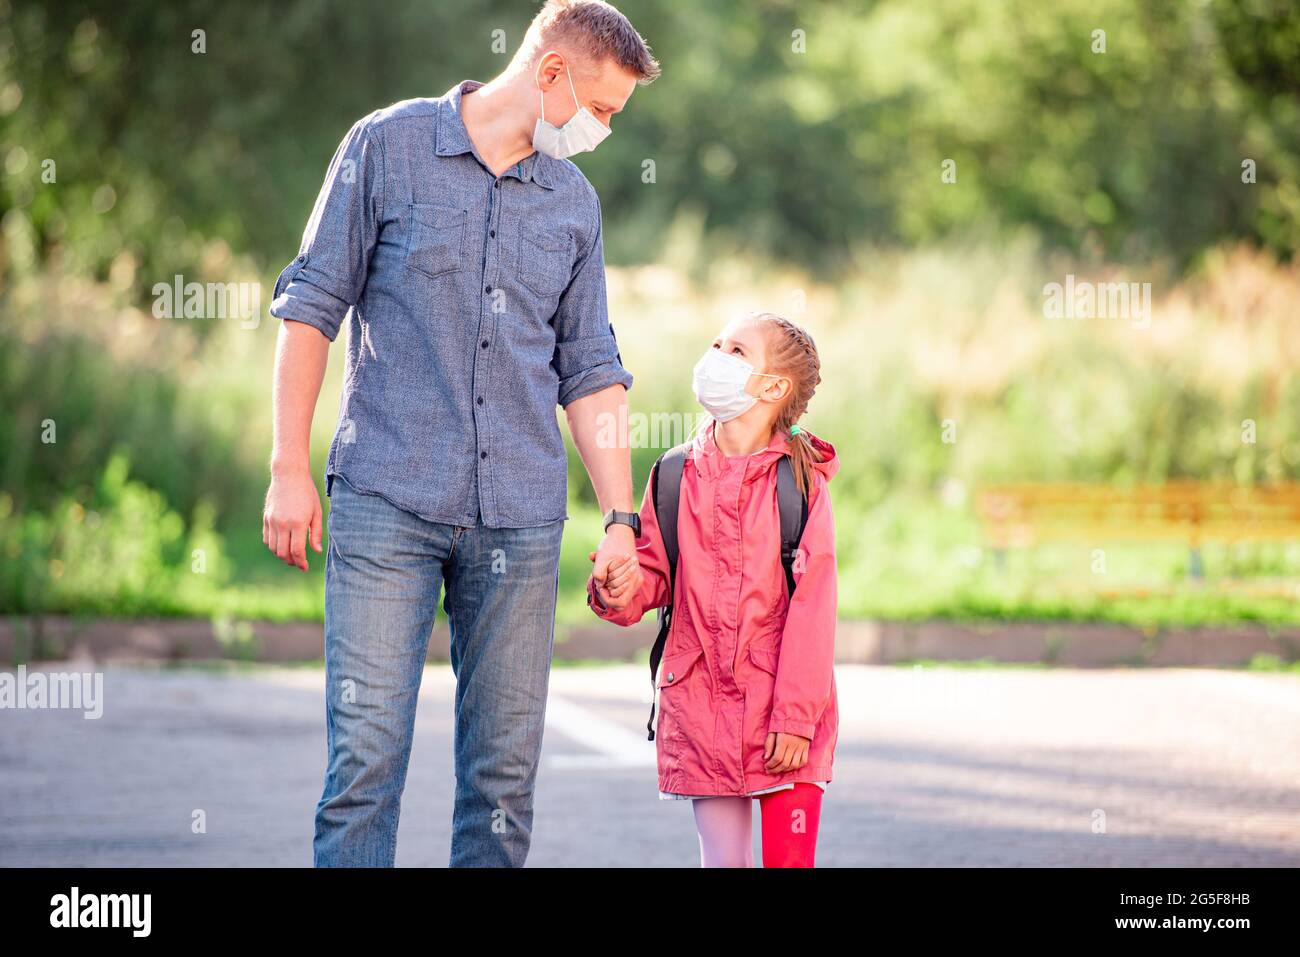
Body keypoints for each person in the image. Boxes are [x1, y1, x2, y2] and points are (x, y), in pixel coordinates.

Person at [262, 0, 659, 867]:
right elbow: (310, 308)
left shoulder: (574, 205)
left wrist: (621, 520)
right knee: (364, 766)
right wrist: (288, 464)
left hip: (519, 517)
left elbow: (590, 366)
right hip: (385, 503)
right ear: (552, 74)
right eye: (602, 111)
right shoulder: (387, 147)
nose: (601, 131)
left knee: (503, 781)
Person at [587, 311, 840, 867]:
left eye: (737, 352)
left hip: (785, 718)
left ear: (773, 387)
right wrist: (618, 588)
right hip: (702, 712)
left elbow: (813, 612)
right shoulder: (674, 474)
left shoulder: (799, 483)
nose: (717, 358)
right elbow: (654, 576)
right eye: (717, 344)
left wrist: (796, 719)